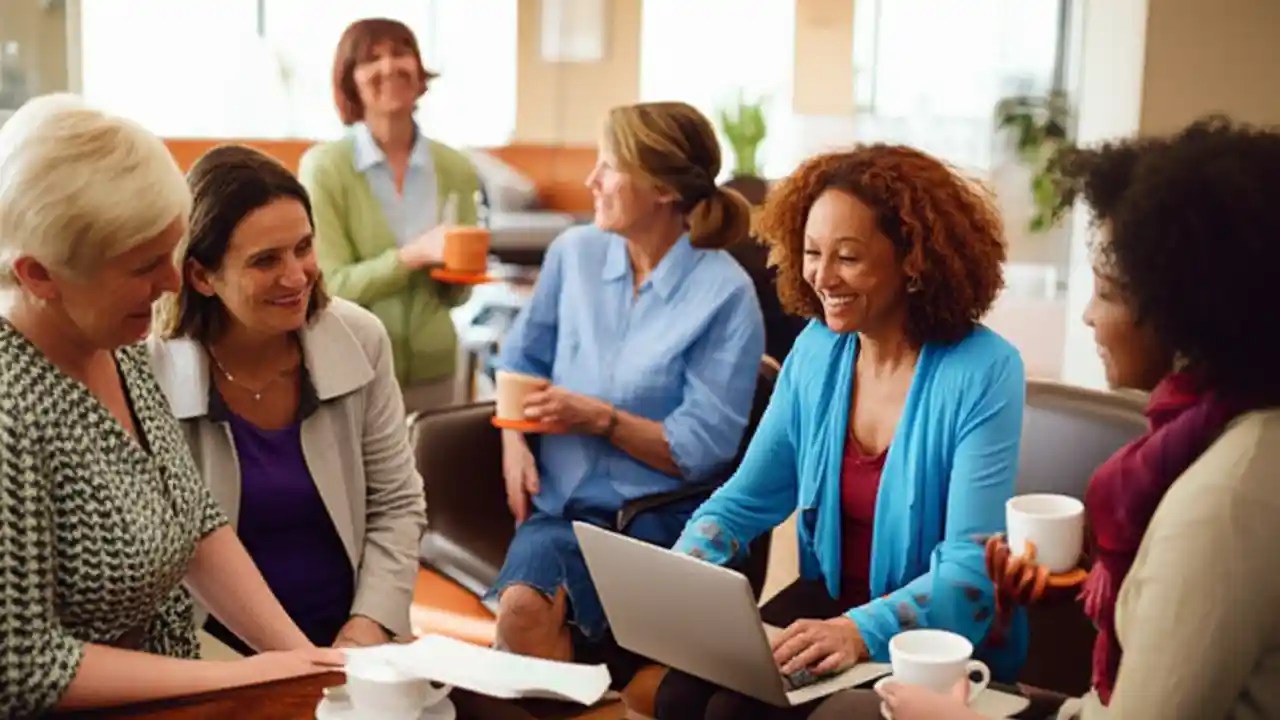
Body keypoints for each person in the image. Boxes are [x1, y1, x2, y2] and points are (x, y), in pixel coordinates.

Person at [879, 118, 1280, 719]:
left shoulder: (1223, 503)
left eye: (1108, 292)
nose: (1089, 315)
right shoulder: (1225, 431)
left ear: (1187, 310)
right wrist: (1087, 588)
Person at [654, 144, 1027, 720]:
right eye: (811, 253)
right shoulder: (817, 348)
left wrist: (857, 631)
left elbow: (969, 572)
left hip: (930, 639)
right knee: (679, 694)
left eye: (848, 257)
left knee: (736, 713)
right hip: (828, 604)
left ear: (913, 260)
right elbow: (745, 499)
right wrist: (679, 571)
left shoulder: (985, 369)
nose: (822, 277)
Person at [0, 95, 342, 717]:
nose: (171, 282)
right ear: (38, 275)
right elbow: (23, 667)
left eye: (171, 253)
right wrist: (241, 678)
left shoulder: (116, 346)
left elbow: (196, 523)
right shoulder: (11, 411)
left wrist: (304, 662)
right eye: (143, 266)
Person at [490, 102, 765, 671]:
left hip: (662, 520)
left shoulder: (726, 295)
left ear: (663, 189)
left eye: (610, 166)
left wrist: (601, 420)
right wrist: (513, 442)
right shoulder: (574, 254)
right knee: (521, 611)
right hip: (562, 510)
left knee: (576, 655)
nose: (591, 180)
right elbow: (519, 359)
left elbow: (698, 451)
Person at [149, 145, 427, 652]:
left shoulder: (361, 337)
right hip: (209, 654)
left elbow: (396, 506)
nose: (297, 275)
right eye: (265, 261)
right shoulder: (147, 366)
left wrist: (367, 627)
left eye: (303, 247)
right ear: (201, 276)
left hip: (354, 642)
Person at [298, 17, 482, 414]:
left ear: (419, 70)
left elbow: (460, 293)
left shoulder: (457, 168)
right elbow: (330, 285)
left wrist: (460, 269)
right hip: (353, 369)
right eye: (372, 59)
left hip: (436, 372)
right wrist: (412, 257)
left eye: (401, 53)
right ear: (350, 79)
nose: (389, 66)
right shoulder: (325, 168)